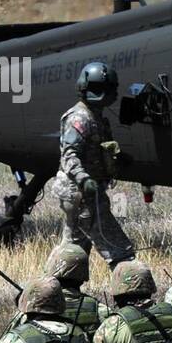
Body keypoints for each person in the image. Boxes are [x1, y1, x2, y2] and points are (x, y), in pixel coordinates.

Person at [53, 61, 136, 269]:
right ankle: (132, 287)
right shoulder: (80, 118)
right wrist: (84, 179)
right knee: (118, 249)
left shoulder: (95, 116)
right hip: (82, 192)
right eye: (110, 89)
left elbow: (96, 149)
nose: (114, 94)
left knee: (72, 250)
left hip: (83, 191)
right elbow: (69, 155)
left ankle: (53, 289)